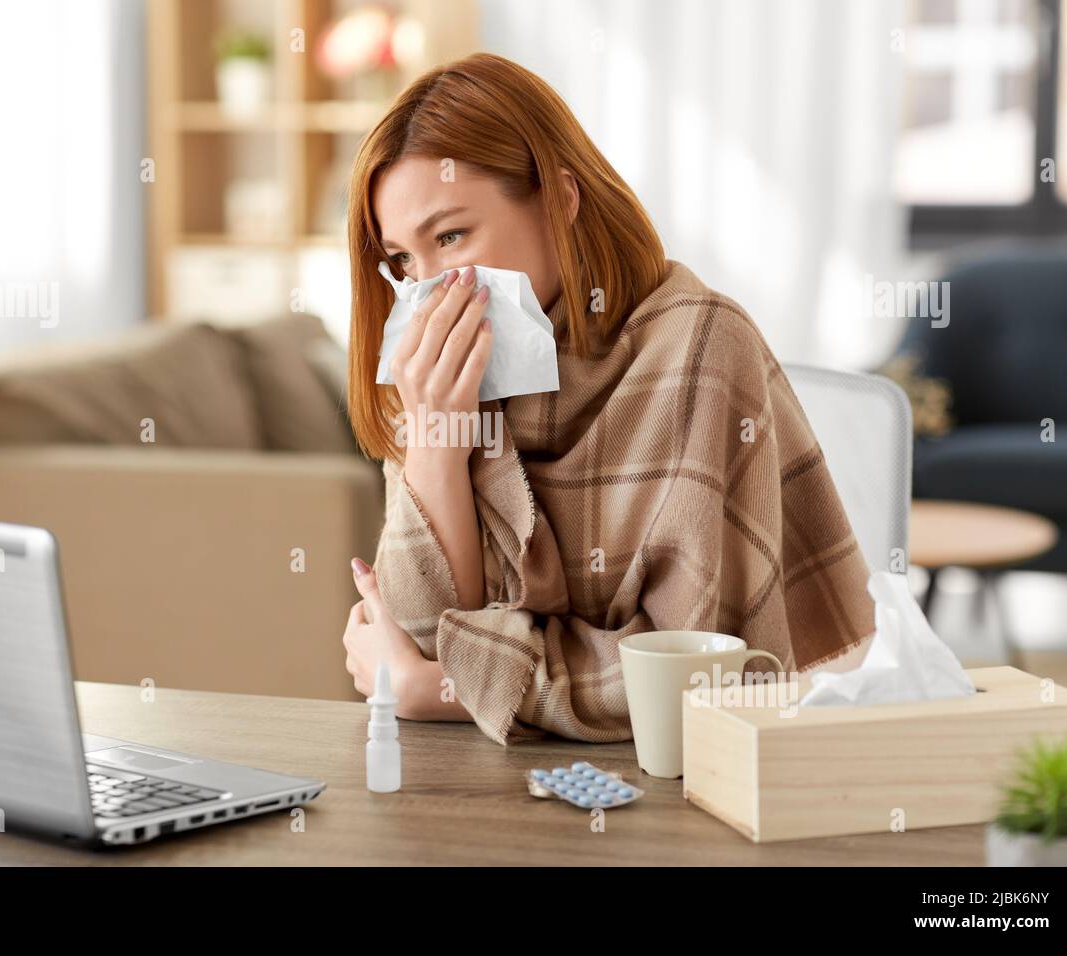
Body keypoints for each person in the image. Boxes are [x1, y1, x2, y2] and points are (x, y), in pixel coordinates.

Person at [341, 53, 874, 745]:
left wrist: (447, 686)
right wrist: (436, 440)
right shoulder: (437, 383)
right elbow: (417, 640)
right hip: (475, 800)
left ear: (561, 201)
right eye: (405, 261)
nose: (428, 290)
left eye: (451, 236)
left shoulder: (702, 347)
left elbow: (694, 675)